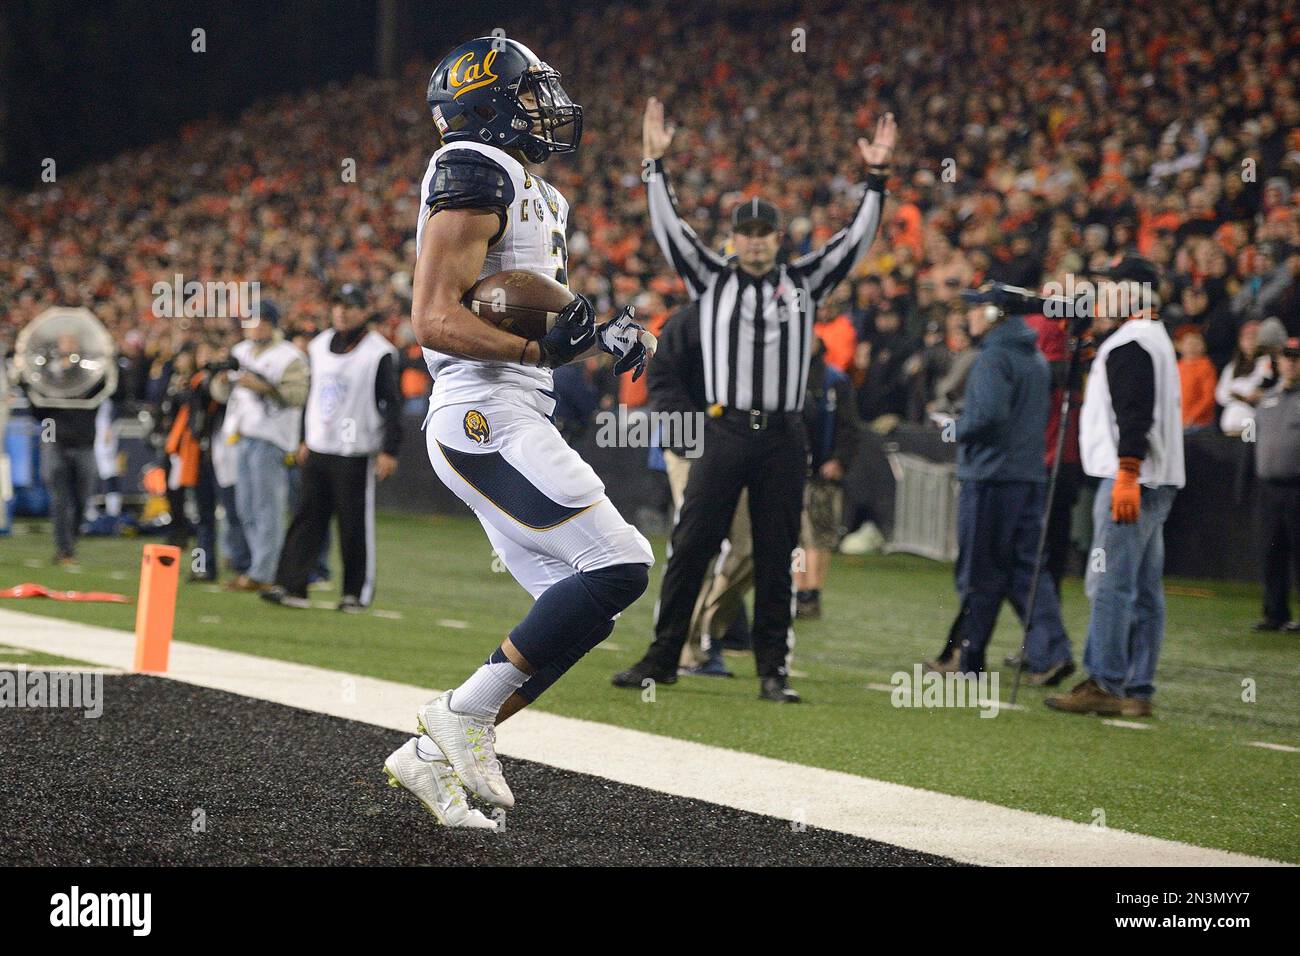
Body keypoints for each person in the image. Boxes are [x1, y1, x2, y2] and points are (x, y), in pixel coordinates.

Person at [383, 37, 656, 829]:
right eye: (530, 92)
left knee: (579, 610)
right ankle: (460, 718)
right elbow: (434, 317)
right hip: (482, 411)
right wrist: (544, 346)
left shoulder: (534, 188)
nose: (547, 106)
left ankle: (431, 759)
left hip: (516, 407)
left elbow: (530, 313)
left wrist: (596, 335)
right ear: (486, 103)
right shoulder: (474, 164)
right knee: (621, 563)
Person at [612, 97, 894, 702]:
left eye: (766, 233)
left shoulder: (805, 281)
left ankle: (773, 670)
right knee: (691, 544)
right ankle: (663, 656)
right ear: (734, 239)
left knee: (775, 553)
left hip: (784, 436)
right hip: (727, 429)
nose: (758, 243)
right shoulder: (712, 281)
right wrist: (654, 164)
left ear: (779, 239)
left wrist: (876, 179)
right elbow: (671, 233)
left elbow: (855, 241)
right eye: (747, 233)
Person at [1047, 255, 1185, 717]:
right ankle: (1137, 688)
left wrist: (1127, 470)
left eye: (1111, 285)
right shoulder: (1151, 337)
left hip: (1131, 479)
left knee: (1111, 583)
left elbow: (1134, 414)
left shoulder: (1130, 342)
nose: (1103, 294)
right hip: (1155, 478)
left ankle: (1105, 680)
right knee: (1144, 588)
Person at [927, 302, 1074, 683]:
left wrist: (951, 429)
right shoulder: (1035, 358)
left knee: (980, 570)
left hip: (991, 476)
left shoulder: (994, 358)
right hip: (1027, 474)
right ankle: (1050, 651)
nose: (967, 318)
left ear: (994, 316)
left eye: (975, 311)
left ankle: (968, 658)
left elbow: (987, 416)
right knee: (1026, 569)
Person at [261, 283, 401, 612]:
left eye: (349, 306)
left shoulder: (378, 351)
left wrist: (389, 449)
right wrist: (303, 437)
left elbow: (391, 403)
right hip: (319, 446)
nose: (341, 311)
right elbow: (311, 396)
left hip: (354, 451)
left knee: (353, 525)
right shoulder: (320, 345)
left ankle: (355, 592)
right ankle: (291, 585)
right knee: (307, 519)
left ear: (364, 311)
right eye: (337, 305)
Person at [647, 300, 753, 678]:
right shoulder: (688, 321)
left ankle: (705, 632)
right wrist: (694, 430)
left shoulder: (766, 323)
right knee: (698, 542)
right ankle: (686, 647)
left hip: (744, 444)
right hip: (693, 446)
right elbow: (659, 377)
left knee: (750, 548)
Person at [210, 301, 309, 592]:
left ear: (272, 323)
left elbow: (297, 395)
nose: (256, 326)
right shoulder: (240, 351)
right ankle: (257, 566)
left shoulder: (289, 356)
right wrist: (220, 381)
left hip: (272, 437)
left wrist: (263, 387)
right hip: (241, 435)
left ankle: (264, 573)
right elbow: (221, 392)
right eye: (252, 320)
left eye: (262, 320)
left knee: (267, 508)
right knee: (246, 507)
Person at [795, 334, 861, 619]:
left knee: (818, 535)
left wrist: (839, 460)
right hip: (793, 469)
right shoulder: (790, 377)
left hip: (822, 470)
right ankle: (799, 592)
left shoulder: (835, 381)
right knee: (795, 536)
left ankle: (813, 592)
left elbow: (849, 427)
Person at [1251, 337, 1300, 633]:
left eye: (1296, 357)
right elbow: (1254, 443)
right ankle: (1275, 612)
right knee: (1271, 551)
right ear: (1278, 362)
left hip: (1297, 486)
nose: (1291, 362)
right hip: (1268, 488)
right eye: (1287, 357)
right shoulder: (1266, 401)